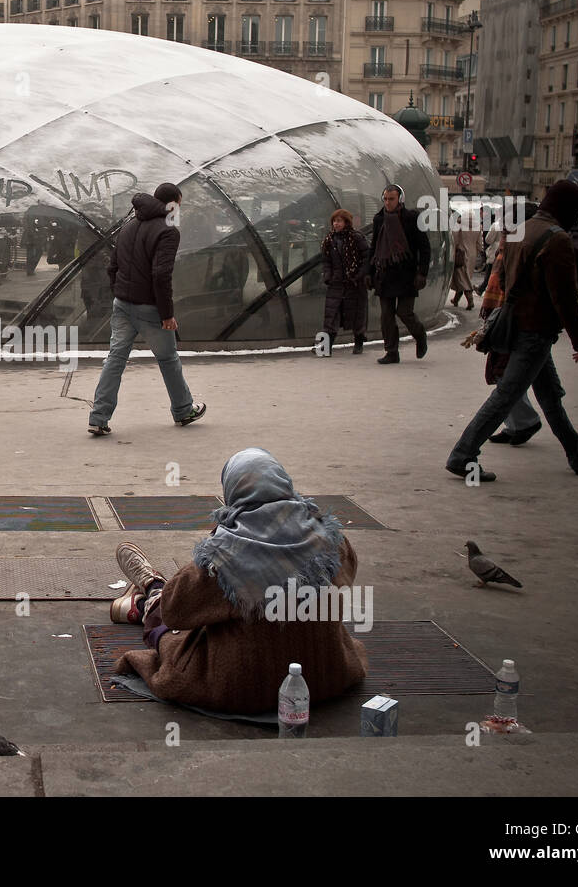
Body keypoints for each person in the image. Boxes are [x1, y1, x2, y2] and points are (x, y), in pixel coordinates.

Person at [109, 448, 368, 714]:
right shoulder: (330, 539)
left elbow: (175, 611)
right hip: (326, 675)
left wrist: (217, 539)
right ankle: (146, 593)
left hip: (244, 688)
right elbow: (345, 579)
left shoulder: (225, 555)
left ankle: (149, 594)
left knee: (171, 630)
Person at [446, 180, 578, 483]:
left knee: (549, 396)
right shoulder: (556, 239)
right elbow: (565, 297)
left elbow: (505, 277)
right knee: (506, 396)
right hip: (536, 330)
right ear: (567, 210)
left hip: (521, 323)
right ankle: (463, 454)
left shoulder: (525, 228)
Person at [87, 183, 205, 435]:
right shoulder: (168, 231)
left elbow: (113, 266)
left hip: (122, 305)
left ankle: (98, 417)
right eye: (179, 204)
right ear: (172, 204)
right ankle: (184, 410)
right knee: (168, 358)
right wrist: (167, 314)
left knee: (116, 358)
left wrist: (120, 293)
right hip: (149, 308)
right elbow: (161, 274)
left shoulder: (129, 226)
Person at [477, 222, 543, 447]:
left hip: (519, 325)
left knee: (505, 376)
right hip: (509, 322)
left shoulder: (519, 254)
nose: (502, 235)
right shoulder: (505, 253)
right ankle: (520, 423)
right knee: (511, 377)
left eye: (507, 232)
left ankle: (524, 422)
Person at [368, 184, 430, 364]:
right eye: (385, 199)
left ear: (400, 199)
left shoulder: (411, 218)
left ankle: (420, 335)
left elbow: (423, 247)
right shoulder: (379, 219)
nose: (388, 203)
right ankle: (391, 351)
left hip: (406, 273)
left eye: (391, 199)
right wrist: (368, 272)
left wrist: (422, 273)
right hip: (385, 273)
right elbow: (374, 247)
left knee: (404, 312)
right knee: (386, 315)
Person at [313, 208, 370, 355]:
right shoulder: (329, 240)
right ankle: (325, 347)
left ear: (346, 222)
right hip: (337, 283)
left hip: (354, 283)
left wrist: (359, 275)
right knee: (332, 315)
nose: (336, 224)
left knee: (357, 313)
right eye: (334, 221)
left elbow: (367, 258)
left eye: (339, 221)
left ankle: (358, 343)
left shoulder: (356, 238)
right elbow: (326, 261)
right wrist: (328, 275)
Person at [449, 213, 482, 310]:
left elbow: (454, 240)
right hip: (472, 254)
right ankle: (455, 300)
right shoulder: (477, 227)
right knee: (464, 277)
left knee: (463, 278)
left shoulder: (459, 227)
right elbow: (479, 244)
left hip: (461, 254)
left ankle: (470, 300)